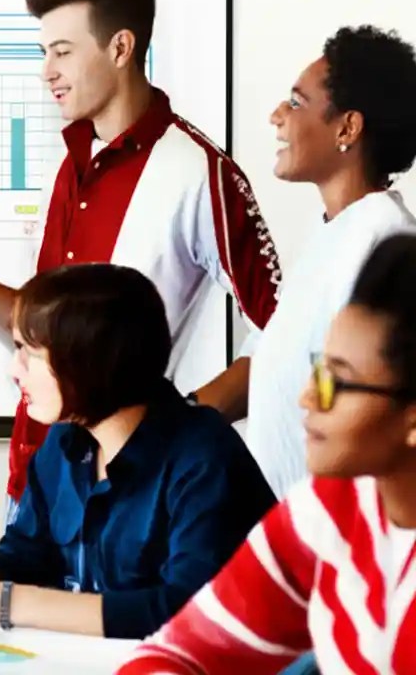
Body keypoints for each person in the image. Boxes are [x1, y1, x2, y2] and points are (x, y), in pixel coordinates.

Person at [0, 0, 281, 523]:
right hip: (35, 479)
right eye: (43, 53)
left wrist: (188, 420)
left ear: (121, 47)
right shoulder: (73, 166)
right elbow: (41, 331)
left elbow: (286, 335)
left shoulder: (199, 171)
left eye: (63, 51)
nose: (46, 71)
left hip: (126, 492)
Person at [0, 264, 275, 640]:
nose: (13, 369)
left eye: (28, 352)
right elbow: (27, 560)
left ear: (88, 360)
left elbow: (187, 612)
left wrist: (4, 604)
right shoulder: (61, 446)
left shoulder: (204, 457)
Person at [119, 232, 416, 675]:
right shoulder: (328, 510)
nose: (307, 398)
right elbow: (182, 649)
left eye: (337, 381)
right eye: (317, 369)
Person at [245, 25, 416, 499]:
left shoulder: (379, 236)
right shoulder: (334, 232)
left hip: (336, 532)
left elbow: (355, 382)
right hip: (296, 530)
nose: (277, 116)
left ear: (347, 127)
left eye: (296, 103)